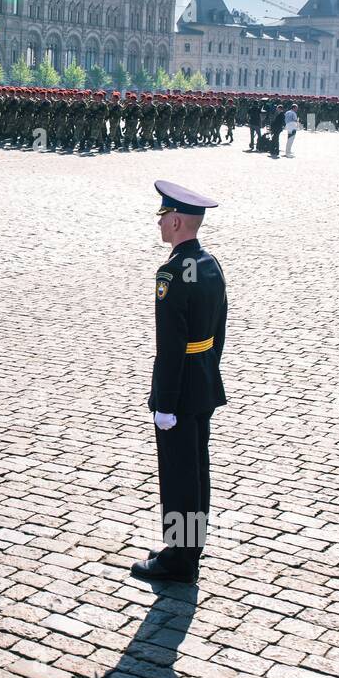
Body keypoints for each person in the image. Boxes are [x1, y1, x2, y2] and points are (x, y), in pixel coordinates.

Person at [133, 181, 227, 585]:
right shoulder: (210, 264)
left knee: (178, 475)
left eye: (162, 218)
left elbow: (170, 346)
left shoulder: (171, 273)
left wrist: (165, 402)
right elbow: (219, 329)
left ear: (175, 221)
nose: (159, 225)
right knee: (197, 470)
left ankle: (180, 558)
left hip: (180, 390)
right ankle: (189, 547)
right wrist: (207, 370)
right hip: (203, 380)